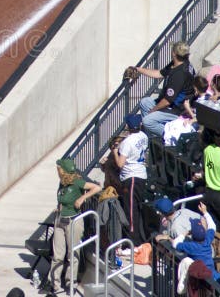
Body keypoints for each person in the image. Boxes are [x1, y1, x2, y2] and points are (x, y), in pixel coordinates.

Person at [49, 157, 101, 296]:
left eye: (59, 169)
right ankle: (55, 285)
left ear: (64, 170)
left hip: (73, 221)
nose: (57, 171)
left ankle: (70, 282)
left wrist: (82, 198)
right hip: (60, 220)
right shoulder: (62, 183)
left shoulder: (77, 182)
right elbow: (61, 199)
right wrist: (59, 207)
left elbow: (97, 187)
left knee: (73, 254)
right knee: (58, 255)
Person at [135, 41, 196, 138]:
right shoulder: (178, 64)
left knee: (147, 121)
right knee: (145, 102)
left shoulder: (179, 74)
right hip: (170, 104)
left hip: (177, 110)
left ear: (174, 54)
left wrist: (152, 111)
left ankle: (170, 135)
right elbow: (160, 73)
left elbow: (167, 101)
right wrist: (138, 69)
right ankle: (150, 138)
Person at [113, 114, 149, 246]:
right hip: (141, 175)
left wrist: (115, 151)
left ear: (128, 126)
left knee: (131, 211)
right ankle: (137, 239)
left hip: (131, 177)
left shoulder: (127, 142)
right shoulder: (144, 136)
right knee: (137, 209)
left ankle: (133, 243)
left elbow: (120, 164)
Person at [173, 202, 220, 282]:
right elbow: (212, 226)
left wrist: (184, 234)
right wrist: (205, 212)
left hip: (200, 278)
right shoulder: (207, 240)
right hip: (212, 276)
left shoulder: (190, 246)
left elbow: (175, 244)